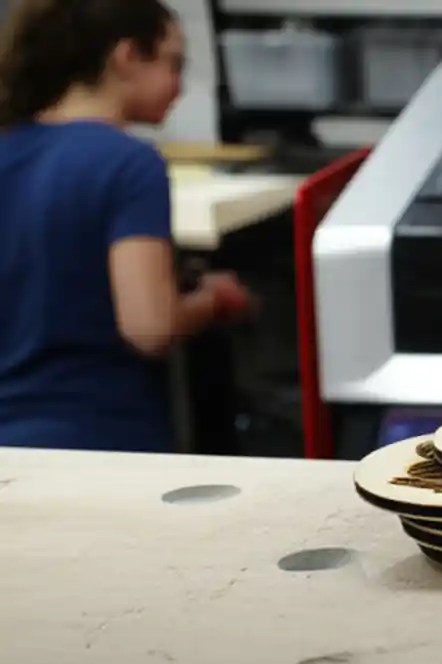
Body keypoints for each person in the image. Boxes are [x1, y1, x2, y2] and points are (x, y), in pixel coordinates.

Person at [0, 0, 254, 452]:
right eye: (173, 63)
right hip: (101, 442)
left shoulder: (8, 151)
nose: (179, 87)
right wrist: (213, 299)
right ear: (127, 57)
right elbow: (149, 327)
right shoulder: (128, 164)